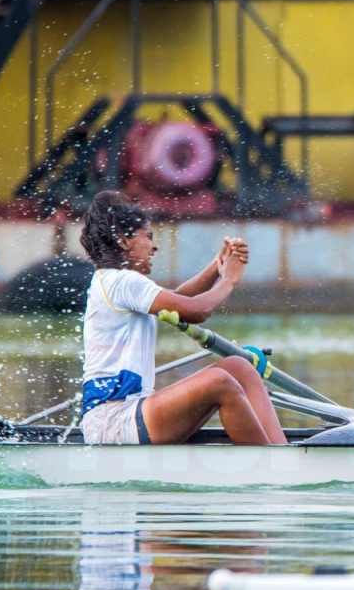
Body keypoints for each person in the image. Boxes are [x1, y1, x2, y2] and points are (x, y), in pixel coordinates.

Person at [78, 191, 286, 446]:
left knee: (238, 366)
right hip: (113, 422)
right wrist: (229, 279)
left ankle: (280, 451)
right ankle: (270, 466)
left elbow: (177, 298)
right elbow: (196, 311)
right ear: (122, 241)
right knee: (219, 382)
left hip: (131, 414)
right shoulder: (121, 280)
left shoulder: (115, 281)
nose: (155, 246)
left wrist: (217, 265)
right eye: (149, 237)